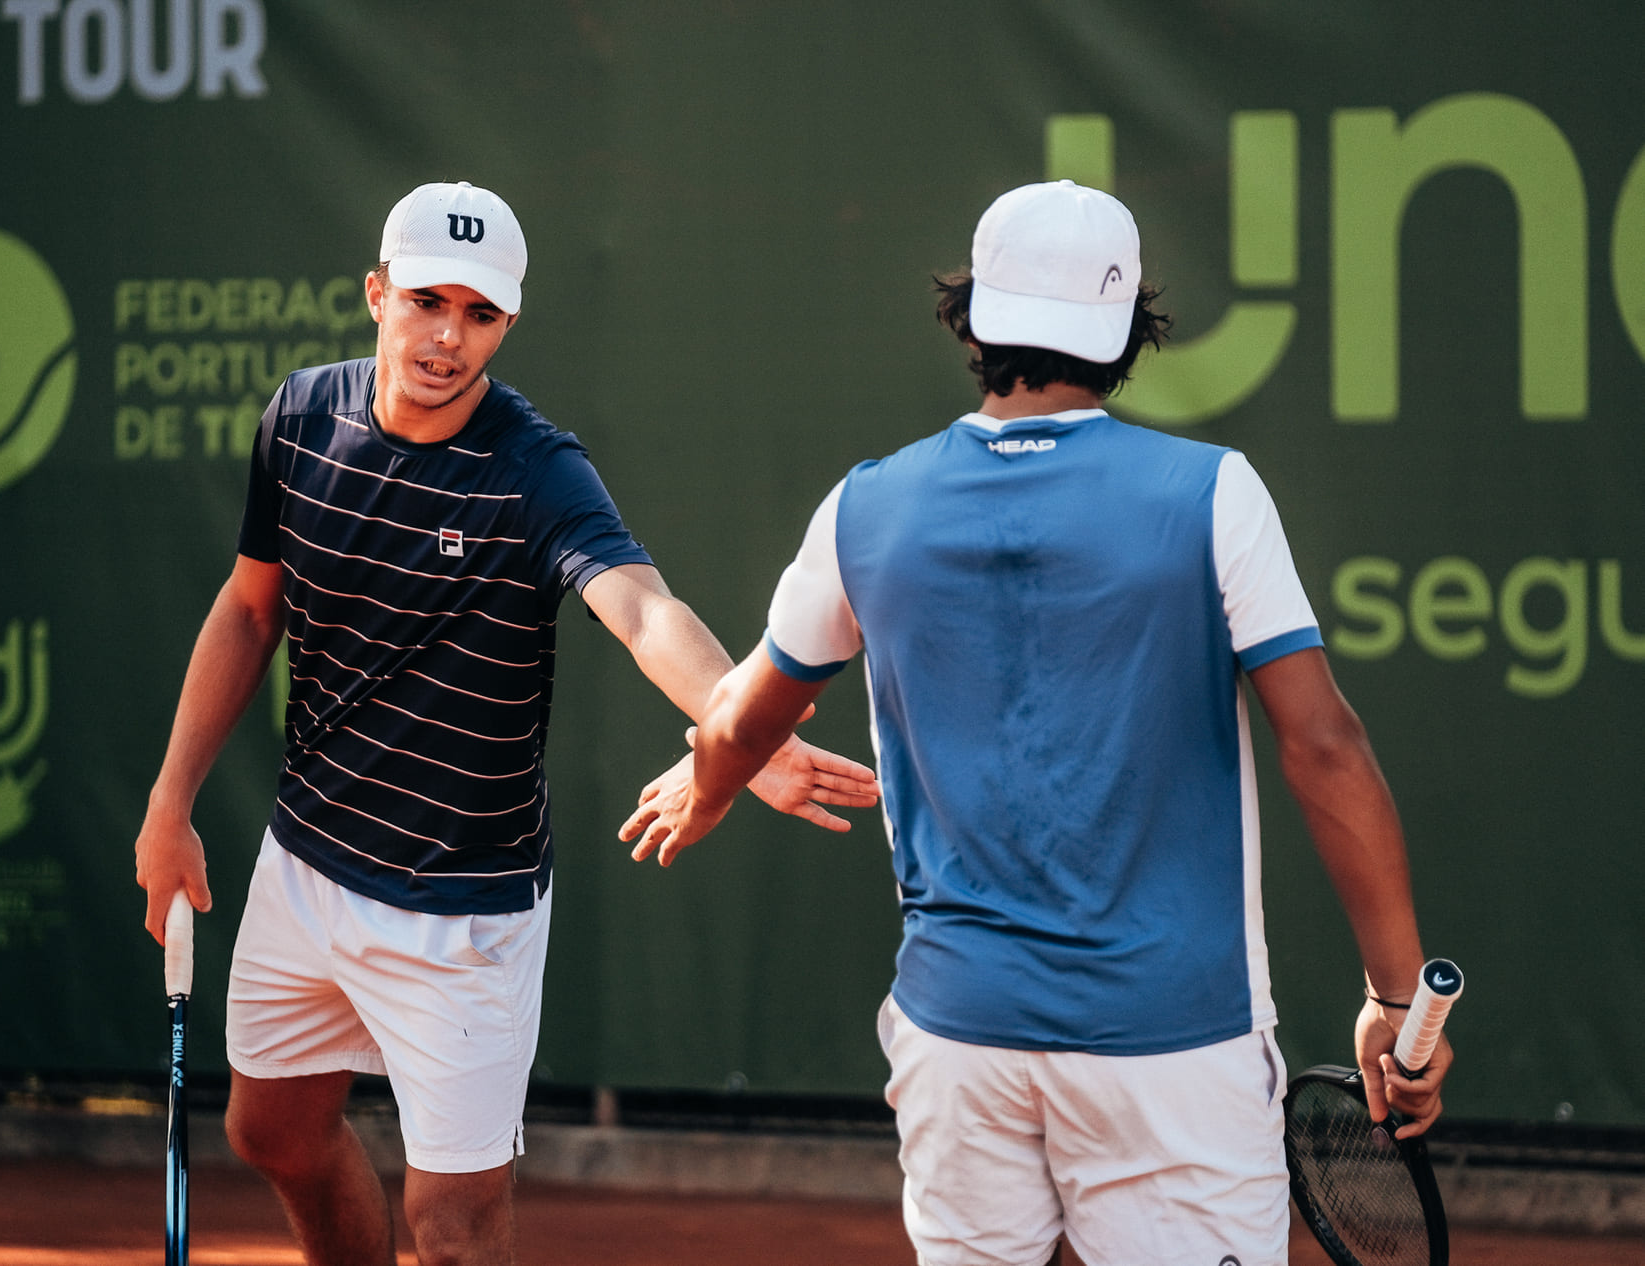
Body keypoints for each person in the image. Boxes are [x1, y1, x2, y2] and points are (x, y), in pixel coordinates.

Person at [621, 180, 1454, 1266]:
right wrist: (1393, 994)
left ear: (971, 322)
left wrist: (713, 784)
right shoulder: (1213, 493)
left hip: (958, 1040)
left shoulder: (865, 505)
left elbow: (743, 719)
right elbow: (1325, 747)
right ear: (1127, 338)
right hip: (1173, 1050)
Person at [132, 180, 878, 1266]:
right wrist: (169, 802)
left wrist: (740, 728)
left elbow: (644, 609)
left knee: (454, 1230)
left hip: (462, 912)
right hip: (304, 862)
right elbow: (251, 611)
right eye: (427, 301)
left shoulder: (537, 470)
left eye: (479, 315)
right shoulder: (299, 417)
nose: (447, 337)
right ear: (376, 293)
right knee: (269, 1130)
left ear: (508, 324)